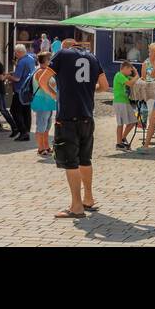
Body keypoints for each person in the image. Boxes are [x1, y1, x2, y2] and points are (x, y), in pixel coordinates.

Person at [48, 38, 106, 218]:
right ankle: (88, 198)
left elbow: (42, 78)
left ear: (65, 47)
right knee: (85, 159)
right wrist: (88, 89)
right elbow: (104, 86)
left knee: (70, 162)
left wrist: (54, 94)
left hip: (67, 117)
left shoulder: (61, 55)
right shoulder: (93, 58)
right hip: (87, 116)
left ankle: (76, 207)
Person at [30, 51, 58, 157]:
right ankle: (40, 148)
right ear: (45, 61)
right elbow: (44, 86)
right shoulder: (40, 71)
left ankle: (46, 146)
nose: (51, 61)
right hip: (42, 103)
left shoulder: (46, 71)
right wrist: (55, 94)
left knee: (47, 127)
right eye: (49, 59)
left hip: (48, 103)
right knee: (41, 126)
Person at [9, 43, 36, 141]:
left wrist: (8, 76)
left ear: (19, 52)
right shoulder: (31, 59)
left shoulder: (21, 61)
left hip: (20, 89)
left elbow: (17, 78)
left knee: (15, 111)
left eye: (16, 53)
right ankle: (27, 132)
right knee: (26, 111)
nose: (15, 55)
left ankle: (23, 131)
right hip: (28, 89)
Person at [112, 60, 138, 149]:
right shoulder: (119, 75)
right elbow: (131, 83)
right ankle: (119, 143)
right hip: (119, 102)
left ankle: (122, 138)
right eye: (130, 70)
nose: (130, 72)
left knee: (133, 121)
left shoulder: (125, 76)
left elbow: (134, 79)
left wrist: (135, 72)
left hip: (125, 101)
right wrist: (136, 75)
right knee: (120, 123)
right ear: (125, 68)